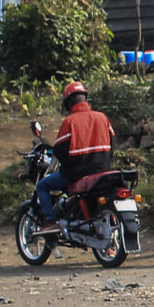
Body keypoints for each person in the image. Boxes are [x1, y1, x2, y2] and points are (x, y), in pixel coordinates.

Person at [34, 81, 116, 234]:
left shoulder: (69, 122)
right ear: (85, 99)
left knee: (42, 186)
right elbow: (113, 144)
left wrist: (70, 165)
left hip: (76, 174)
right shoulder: (102, 117)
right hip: (102, 172)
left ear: (68, 103)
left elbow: (59, 150)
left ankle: (50, 222)